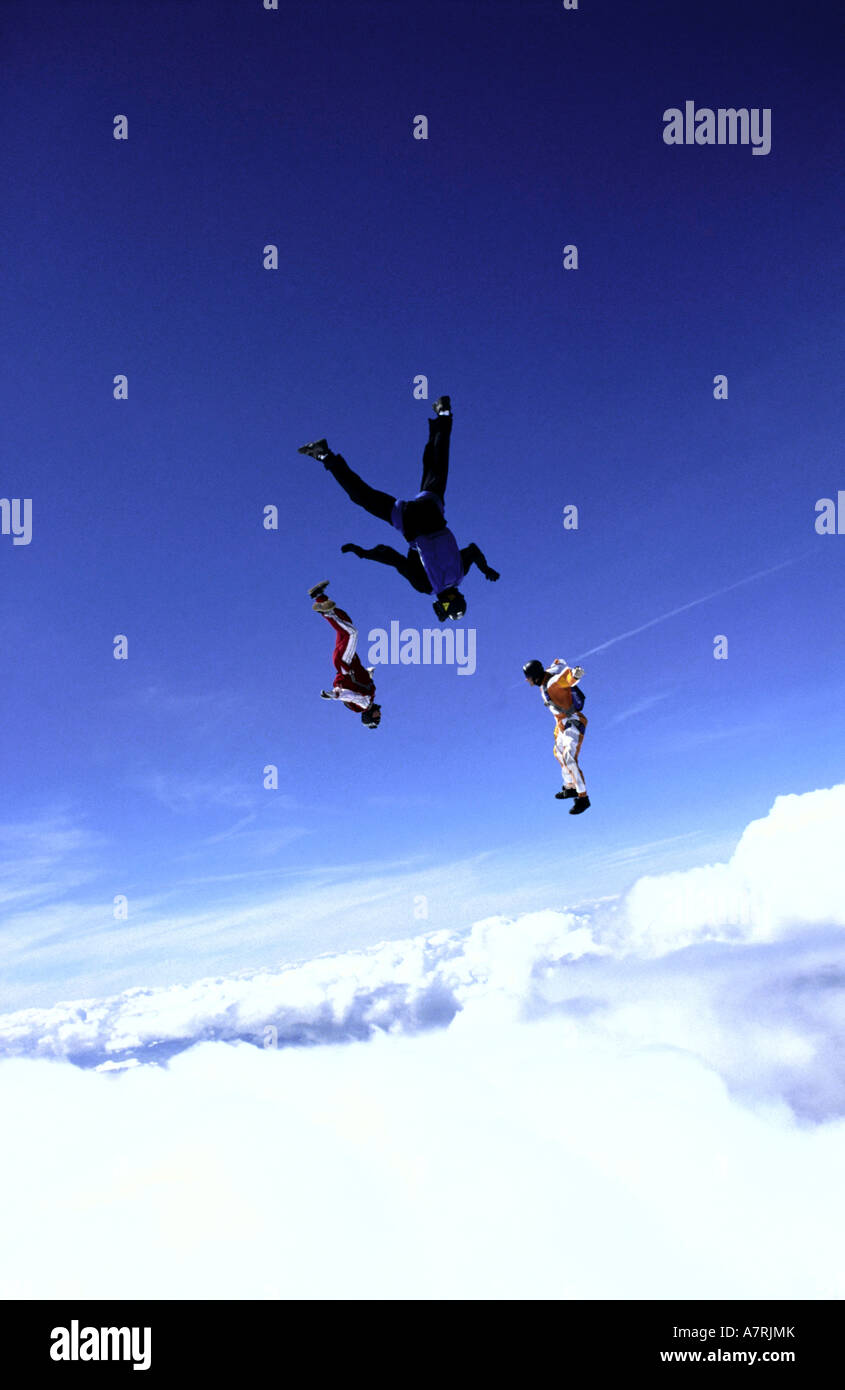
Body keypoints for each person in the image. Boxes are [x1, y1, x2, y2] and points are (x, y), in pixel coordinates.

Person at [298, 396, 499, 620]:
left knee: (437, 465)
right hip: (411, 520)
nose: (439, 608)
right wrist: (363, 553)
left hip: (432, 509)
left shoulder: (461, 573)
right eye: (443, 609)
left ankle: (444, 414)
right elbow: (392, 557)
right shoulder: (427, 586)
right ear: (448, 602)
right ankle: (324, 454)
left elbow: (472, 549)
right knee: (362, 496)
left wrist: (485, 568)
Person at [310, 582, 382, 728]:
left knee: (352, 633)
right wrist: (369, 673)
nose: (379, 714)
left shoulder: (364, 704)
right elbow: (359, 685)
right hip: (344, 661)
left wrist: (334, 695)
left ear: (368, 716)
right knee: (346, 625)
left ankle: (326, 612)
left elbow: (351, 696)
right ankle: (319, 597)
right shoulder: (367, 697)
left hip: (345, 663)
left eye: (376, 718)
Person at [523, 658, 590, 814]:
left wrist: (575, 674)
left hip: (572, 722)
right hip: (560, 724)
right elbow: (559, 664)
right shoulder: (546, 677)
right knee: (558, 753)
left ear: (535, 676)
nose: (527, 680)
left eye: (528, 677)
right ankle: (570, 787)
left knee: (569, 758)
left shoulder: (552, 682)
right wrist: (559, 662)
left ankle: (583, 798)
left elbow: (566, 679)